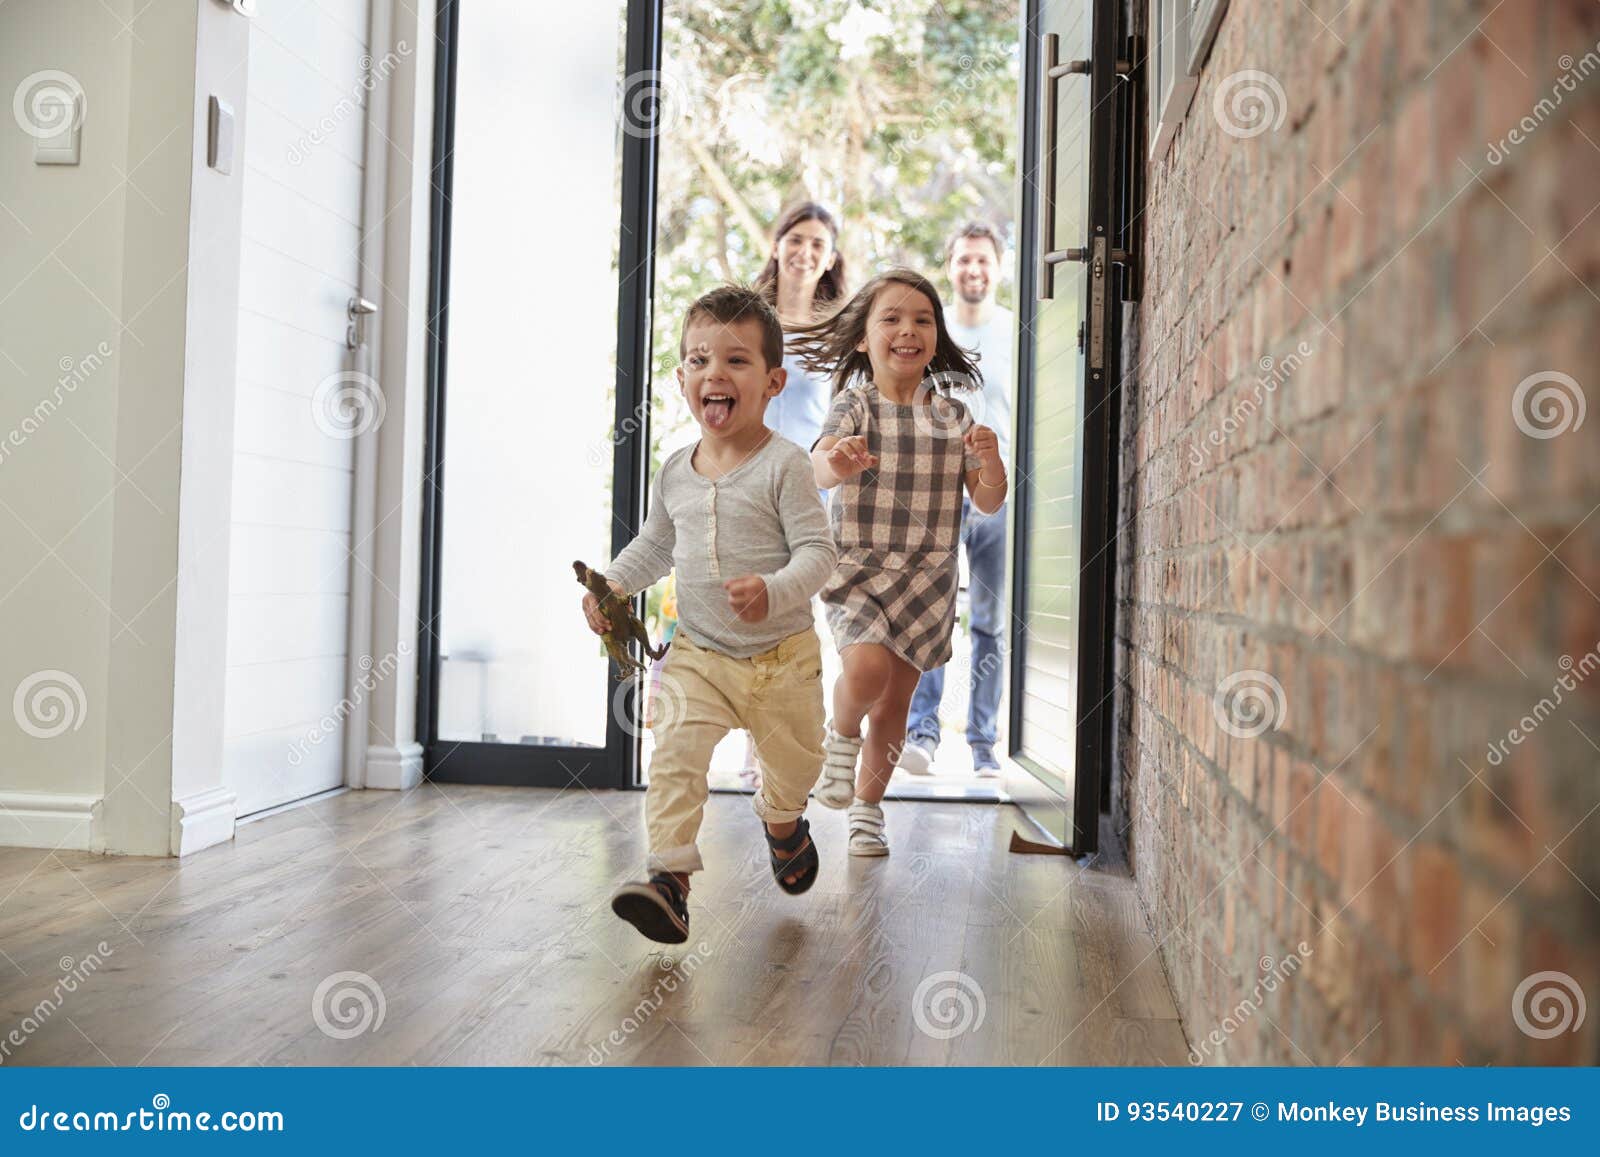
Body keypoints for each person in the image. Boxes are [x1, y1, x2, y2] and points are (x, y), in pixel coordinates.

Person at [584, 285, 837, 943]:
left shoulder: (787, 466)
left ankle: (783, 822)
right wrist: (611, 585)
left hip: (782, 656)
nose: (714, 374)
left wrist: (776, 589)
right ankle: (669, 881)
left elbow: (819, 553)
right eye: (698, 360)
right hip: (698, 651)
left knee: (798, 765)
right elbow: (656, 545)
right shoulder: (674, 471)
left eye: (735, 361)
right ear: (680, 380)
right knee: (673, 753)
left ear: (774, 381)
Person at [792, 269, 1008, 856]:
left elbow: (988, 500)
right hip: (860, 573)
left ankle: (868, 810)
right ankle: (839, 736)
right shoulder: (854, 405)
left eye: (921, 319)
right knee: (865, 674)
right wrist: (838, 461)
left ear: (936, 336)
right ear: (863, 338)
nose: (907, 330)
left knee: (895, 704)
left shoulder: (955, 418)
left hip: (928, 583)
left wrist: (990, 462)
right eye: (890, 318)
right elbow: (817, 469)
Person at [899, 223, 1016, 778]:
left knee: (990, 621)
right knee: (931, 616)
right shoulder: (930, 333)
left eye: (983, 260)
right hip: (939, 496)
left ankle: (983, 745)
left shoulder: (1017, 333)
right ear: (951, 265)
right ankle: (922, 734)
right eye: (964, 259)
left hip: (995, 494)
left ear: (999, 267)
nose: (974, 269)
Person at [755, 201, 849, 453]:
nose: (805, 252)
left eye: (817, 244)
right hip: (748, 477)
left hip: (811, 481)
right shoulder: (747, 324)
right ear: (776, 248)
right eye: (795, 240)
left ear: (830, 260)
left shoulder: (839, 336)